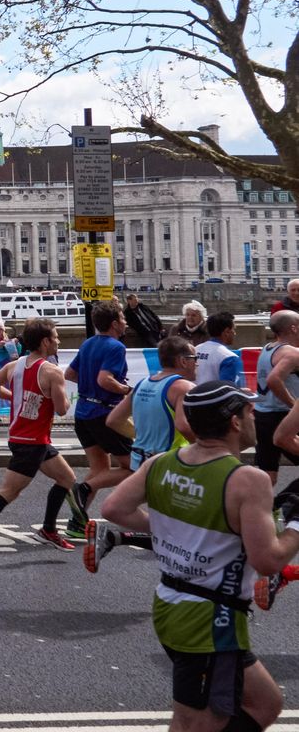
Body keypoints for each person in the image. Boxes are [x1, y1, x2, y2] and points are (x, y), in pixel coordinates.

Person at [99, 381, 299, 732]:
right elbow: (268, 561)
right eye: (248, 410)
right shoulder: (246, 480)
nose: (254, 416)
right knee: (199, 722)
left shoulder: (161, 462)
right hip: (210, 619)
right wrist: (296, 525)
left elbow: (114, 507)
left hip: (172, 604)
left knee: (265, 702)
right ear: (235, 422)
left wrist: (170, 531)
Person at [0, 318, 90, 563]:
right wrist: (62, 399)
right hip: (32, 441)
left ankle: (48, 529)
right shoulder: (51, 372)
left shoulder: (14, 366)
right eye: (56, 337)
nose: (59, 341)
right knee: (10, 491)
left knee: (66, 478)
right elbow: (61, 409)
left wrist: (16, 398)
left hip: (24, 436)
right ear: (45, 341)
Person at [85, 336, 196, 571]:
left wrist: (142, 435)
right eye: (194, 358)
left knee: (174, 532)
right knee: (194, 533)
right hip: (171, 466)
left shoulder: (143, 384)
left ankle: (116, 538)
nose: (197, 363)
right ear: (182, 361)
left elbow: (113, 420)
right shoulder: (183, 387)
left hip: (141, 463)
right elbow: (185, 427)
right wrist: (206, 449)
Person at [66, 300, 134, 523]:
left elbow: (70, 374)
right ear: (115, 324)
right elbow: (104, 379)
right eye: (123, 319)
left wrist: (90, 387)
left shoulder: (88, 343)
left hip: (83, 413)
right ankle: (83, 488)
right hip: (103, 415)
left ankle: (77, 521)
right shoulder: (116, 347)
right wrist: (126, 389)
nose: (125, 323)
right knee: (134, 467)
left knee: (99, 468)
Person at [255, 312, 299, 478]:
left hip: (262, 414)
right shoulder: (292, 353)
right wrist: (293, 404)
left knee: (268, 473)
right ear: (294, 328)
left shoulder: (268, 348)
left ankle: (264, 504)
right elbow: (274, 380)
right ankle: (288, 502)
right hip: (283, 417)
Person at [193, 312, 244, 387]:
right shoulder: (229, 357)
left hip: (191, 396)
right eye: (233, 329)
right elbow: (226, 390)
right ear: (226, 331)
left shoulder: (195, 349)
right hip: (213, 397)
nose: (234, 333)